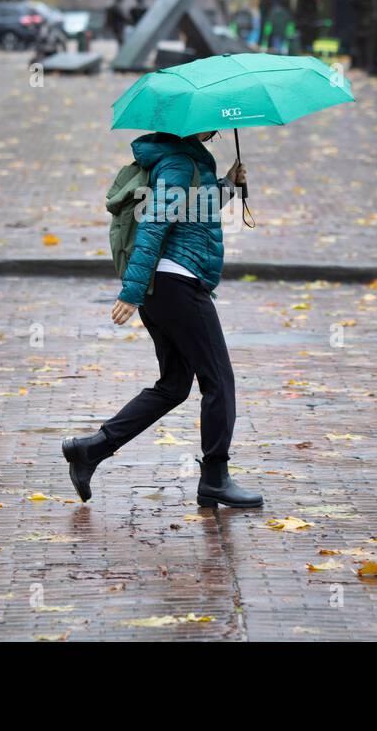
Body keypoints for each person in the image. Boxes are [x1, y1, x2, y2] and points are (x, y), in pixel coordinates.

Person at [62, 131, 262, 509]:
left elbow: (194, 211)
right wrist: (132, 292)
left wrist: (228, 186)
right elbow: (154, 223)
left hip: (168, 285)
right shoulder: (177, 163)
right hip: (175, 283)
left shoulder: (188, 161)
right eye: (209, 124)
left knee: (174, 385)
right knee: (218, 380)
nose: (215, 131)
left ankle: (90, 450)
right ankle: (215, 478)